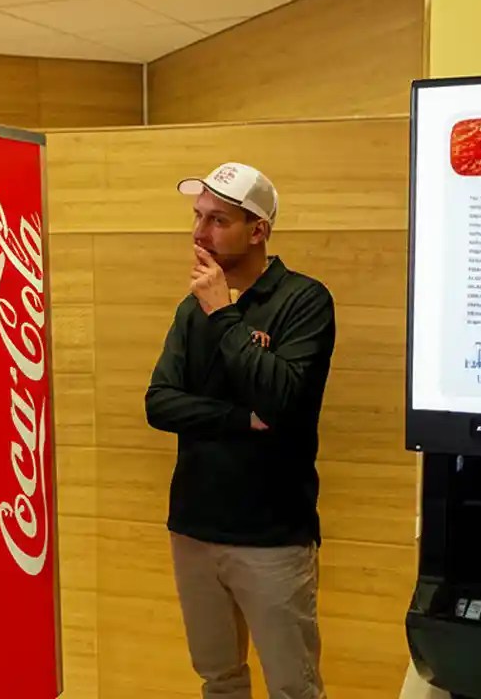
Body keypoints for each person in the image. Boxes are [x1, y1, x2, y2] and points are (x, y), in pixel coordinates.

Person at [145, 161, 336, 699]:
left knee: (293, 687)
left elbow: (281, 399)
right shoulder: (191, 310)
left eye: (217, 220)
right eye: (198, 216)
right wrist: (238, 419)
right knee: (220, 681)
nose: (200, 233)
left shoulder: (305, 301)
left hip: (272, 536)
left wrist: (223, 314)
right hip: (194, 528)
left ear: (259, 230)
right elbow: (160, 404)